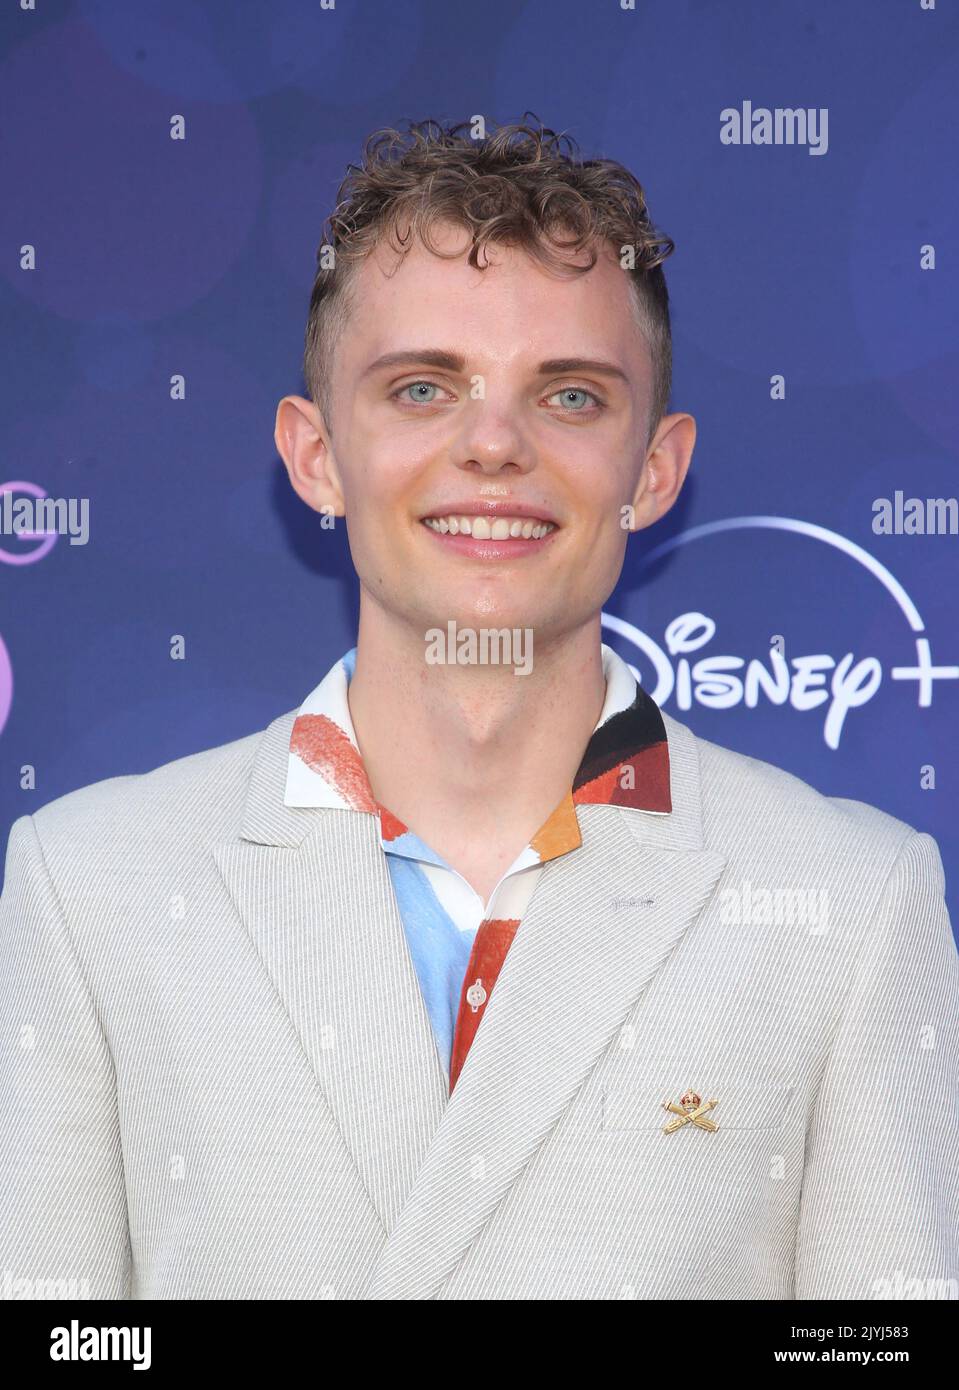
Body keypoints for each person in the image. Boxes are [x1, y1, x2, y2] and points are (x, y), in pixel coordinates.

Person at [1, 119, 956, 1301]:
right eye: (420, 388)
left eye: (566, 395)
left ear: (653, 469)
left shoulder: (849, 909)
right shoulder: (90, 889)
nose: (493, 444)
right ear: (315, 456)